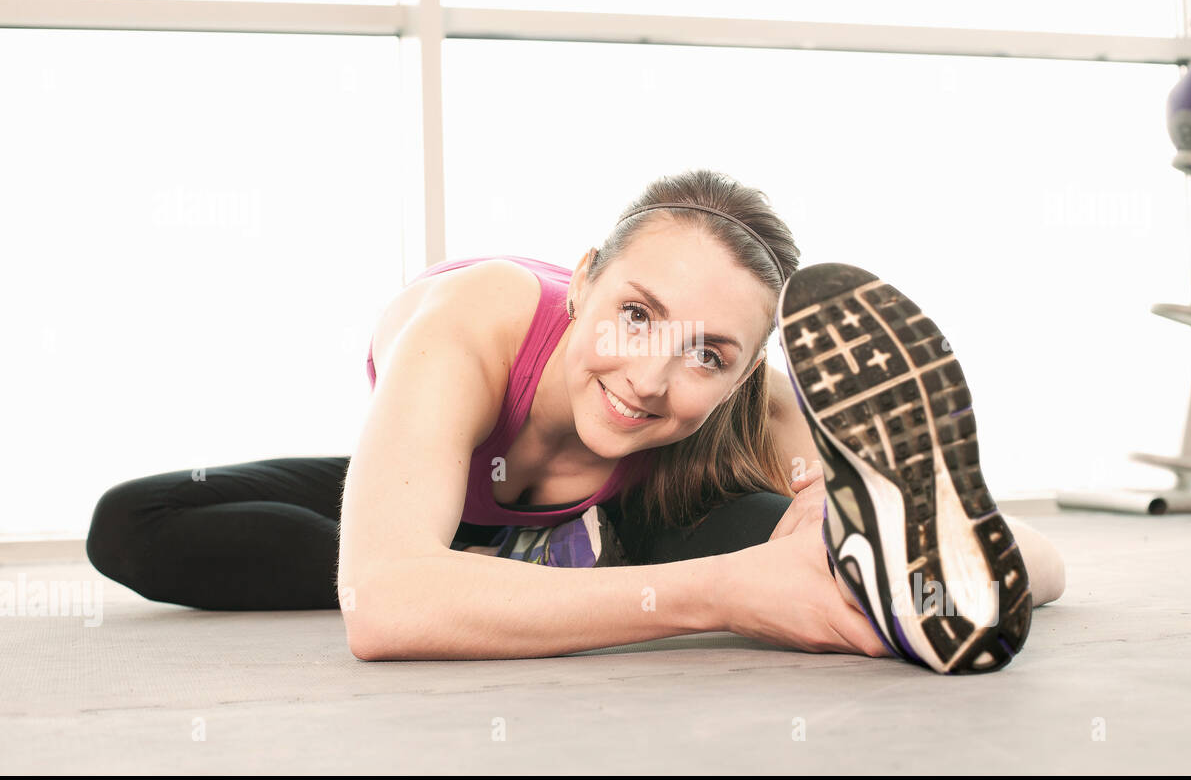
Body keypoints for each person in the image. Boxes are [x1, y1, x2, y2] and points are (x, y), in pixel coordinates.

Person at [86, 169, 1064, 674]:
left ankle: (516, 567)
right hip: (463, 479)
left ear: (741, 371)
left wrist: (849, 531)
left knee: (769, 525)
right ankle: (485, 560)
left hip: (632, 505)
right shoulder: (475, 318)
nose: (648, 377)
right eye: (636, 314)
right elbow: (382, 611)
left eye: (706, 354)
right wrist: (724, 595)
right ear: (585, 275)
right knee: (137, 522)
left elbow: (1036, 562)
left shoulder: (743, 411)